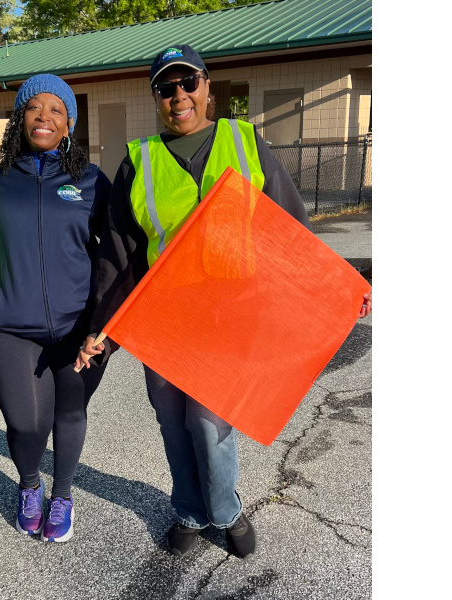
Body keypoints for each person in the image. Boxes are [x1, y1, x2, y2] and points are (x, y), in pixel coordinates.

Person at [75, 45, 372, 559]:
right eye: (166, 88)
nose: (179, 96)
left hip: (231, 317)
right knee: (171, 420)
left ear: (208, 87)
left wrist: (339, 284)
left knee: (210, 424)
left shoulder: (244, 141)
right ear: (157, 99)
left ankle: (225, 509)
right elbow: (121, 253)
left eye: (188, 82)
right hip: (166, 321)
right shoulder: (139, 160)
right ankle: (189, 509)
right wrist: (100, 325)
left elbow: (291, 227)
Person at [0, 74, 111, 543]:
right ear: (20, 118)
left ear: (69, 123)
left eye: (57, 109)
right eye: (34, 107)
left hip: (80, 327)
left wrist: (106, 326)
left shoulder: (91, 181)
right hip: (11, 326)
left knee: (70, 413)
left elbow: (117, 255)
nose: (45, 117)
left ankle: (62, 495)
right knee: (26, 422)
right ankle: (30, 484)